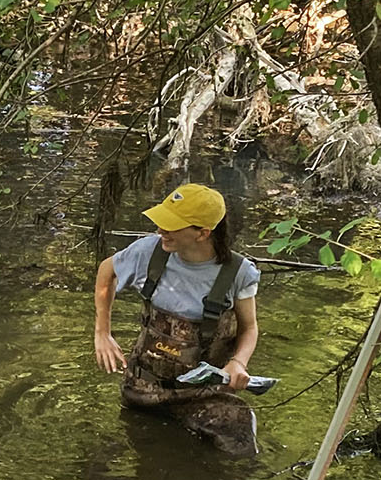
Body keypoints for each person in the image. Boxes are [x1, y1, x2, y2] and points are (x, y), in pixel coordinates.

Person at [93, 182, 261, 455]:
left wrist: (238, 363)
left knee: (240, 451)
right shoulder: (148, 252)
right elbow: (106, 271)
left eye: (171, 226)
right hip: (143, 388)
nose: (161, 230)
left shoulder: (238, 273)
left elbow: (250, 328)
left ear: (202, 233)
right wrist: (102, 332)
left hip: (205, 395)